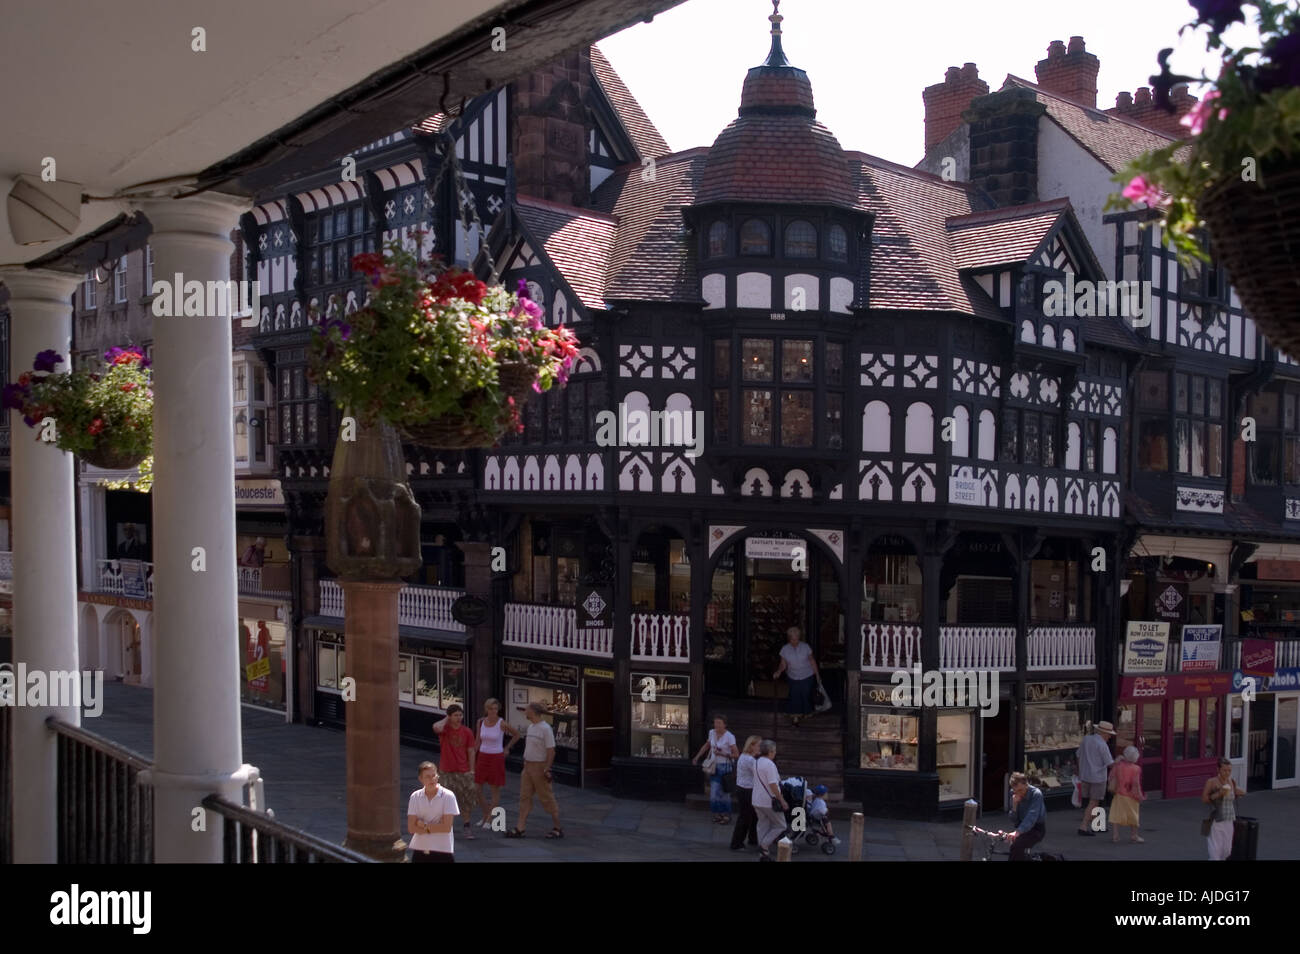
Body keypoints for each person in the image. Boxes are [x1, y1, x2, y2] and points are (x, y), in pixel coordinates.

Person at [505, 702, 563, 839]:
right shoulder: (531, 727)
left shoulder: (545, 729)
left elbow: (551, 751)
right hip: (528, 766)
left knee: (547, 798)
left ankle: (558, 827)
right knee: (524, 797)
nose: (525, 712)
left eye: (527, 710)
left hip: (539, 767)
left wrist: (547, 768)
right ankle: (520, 828)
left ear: (534, 712)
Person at [432, 704, 479, 841]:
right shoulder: (444, 729)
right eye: (455, 715)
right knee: (444, 800)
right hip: (446, 770)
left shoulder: (467, 731)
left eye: (460, 715)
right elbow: (436, 727)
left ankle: (466, 825)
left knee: (465, 799)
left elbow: (471, 751)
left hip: (463, 770)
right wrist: (447, 718)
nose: (459, 718)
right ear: (450, 717)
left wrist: (472, 770)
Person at [473, 697, 520, 829]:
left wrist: (507, 748)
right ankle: (485, 813)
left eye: (495, 708)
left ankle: (489, 819)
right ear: (486, 709)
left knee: (495, 789)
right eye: (490, 708)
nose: (493, 711)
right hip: (483, 756)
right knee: (477, 788)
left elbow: (517, 735)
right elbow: (477, 742)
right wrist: (471, 758)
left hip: (496, 757)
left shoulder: (501, 723)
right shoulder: (480, 722)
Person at [407, 761, 459, 862]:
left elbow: (446, 827)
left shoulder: (448, 796)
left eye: (434, 775)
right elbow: (411, 828)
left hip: (443, 850)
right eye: (427, 776)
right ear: (420, 779)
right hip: (420, 848)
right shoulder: (415, 797)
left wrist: (423, 825)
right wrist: (434, 826)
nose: (432, 779)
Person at [692, 715, 739, 824]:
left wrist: (722, 753)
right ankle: (717, 813)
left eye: (719, 723)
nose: (716, 725)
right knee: (714, 793)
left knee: (724, 793)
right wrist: (697, 756)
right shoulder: (712, 732)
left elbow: (736, 754)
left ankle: (726, 815)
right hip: (714, 766)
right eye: (715, 723)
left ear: (724, 724)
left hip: (725, 767)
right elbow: (707, 745)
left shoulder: (729, 736)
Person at [772, 626, 820, 726]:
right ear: (789, 638)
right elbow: (783, 664)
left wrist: (817, 675)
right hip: (793, 676)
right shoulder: (785, 649)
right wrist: (779, 671)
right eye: (793, 639)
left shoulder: (806, 647)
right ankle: (795, 718)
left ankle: (807, 714)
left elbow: (812, 661)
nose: (795, 641)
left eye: (797, 638)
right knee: (795, 695)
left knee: (805, 694)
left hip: (807, 675)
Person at [750, 739, 788, 862]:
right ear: (771, 751)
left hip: (756, 799)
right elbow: (773, 785)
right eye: (775, 750)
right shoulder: (770, 764)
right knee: (781, 825)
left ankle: (763, 855)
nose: (775, 753)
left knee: (763, 825)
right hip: (768, 801)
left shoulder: (756, 762)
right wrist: (782, 800)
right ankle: (764, 845)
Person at [1075, 720, 1115, 835]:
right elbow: (1110, 764)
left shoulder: (1087, 739)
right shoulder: (1102, 745)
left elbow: (1078, 755)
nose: (1110, 737)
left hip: (1085, 775)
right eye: (1109, 735)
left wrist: (1079, 769)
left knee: (1091, 801)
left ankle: (1097, 824)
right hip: (1098, 777)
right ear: (1104, 733)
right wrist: (1119, 762)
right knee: (1094, 801)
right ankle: (1083, 826)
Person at [1202, 757, 1245, 861]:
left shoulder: (1231, 781)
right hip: (1216, 819)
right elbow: (1204, 799)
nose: (1227, 773)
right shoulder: (1212, 782)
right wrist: (1218, 794)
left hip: (1229, 818)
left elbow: (1235, 792)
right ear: (1218, 769)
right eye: (1224, 770)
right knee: (1215, 851)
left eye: (1229, 770)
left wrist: (1241, 792)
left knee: (1227, 850)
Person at [729, 735, 762, 851]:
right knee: (745, 817)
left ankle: (753, 838)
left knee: (753, 816)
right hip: (747, 790)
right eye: (758, 745)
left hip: (743, 789)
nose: (760, 748)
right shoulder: (750, 760)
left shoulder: (744, 757)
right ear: (752, 746)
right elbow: (759, 774)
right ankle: (736, 843)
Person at [1109, 745, 1145, 844]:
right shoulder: (1136, 768)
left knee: (1117, 815)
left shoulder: (1119, 766)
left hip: (1119, 794)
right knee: (1133, 816)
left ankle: (1115, 836)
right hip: (1131, 795)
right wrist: (1139, 795)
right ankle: (1134, 835)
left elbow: (1111, 776)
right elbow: (1136, 784)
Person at [1006, 771, 1046, 861]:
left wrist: (1018, 832)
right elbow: (1013, 820)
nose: (1019, 793)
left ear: (1026, 785)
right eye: (1016, 791)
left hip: (1036, 829)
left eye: (1021, 790)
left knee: (1017, 846)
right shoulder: (1013, 793)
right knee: (1015, 847)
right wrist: (1015, 805)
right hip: (1021, 827)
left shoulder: (1036, 794)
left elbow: (1032, 816)